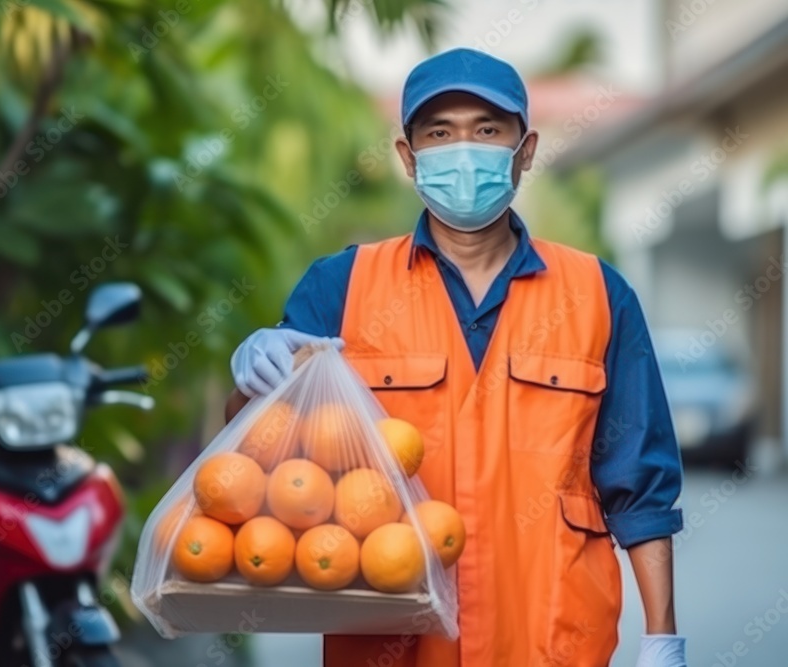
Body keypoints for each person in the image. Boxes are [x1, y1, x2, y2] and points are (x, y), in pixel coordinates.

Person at [227, 48, 686, 667]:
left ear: (525, 151)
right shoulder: (342, 286)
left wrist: (663, 636)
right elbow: (257, 454)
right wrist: (256, 370)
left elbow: (642, 483)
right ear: (408, 157)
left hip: (550, 642)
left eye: (487, 130)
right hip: (394, 644)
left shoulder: (598, 295)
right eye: (440, 133)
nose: (464, 150)